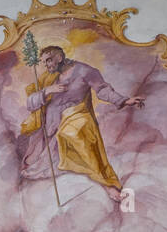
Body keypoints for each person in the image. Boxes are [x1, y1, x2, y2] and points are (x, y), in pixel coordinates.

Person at [21, 45, 143, 201]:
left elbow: (103, 90)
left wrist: (125, 100)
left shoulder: (85, 71)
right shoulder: (48, 78)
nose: (47, 65)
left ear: (59, 57)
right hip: (52, 123)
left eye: (49, 60)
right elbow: (30, 103)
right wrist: (47, 91)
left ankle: (107, 185)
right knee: (36, 163)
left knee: (74, 132)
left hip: (77, 115)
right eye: (44, 62)